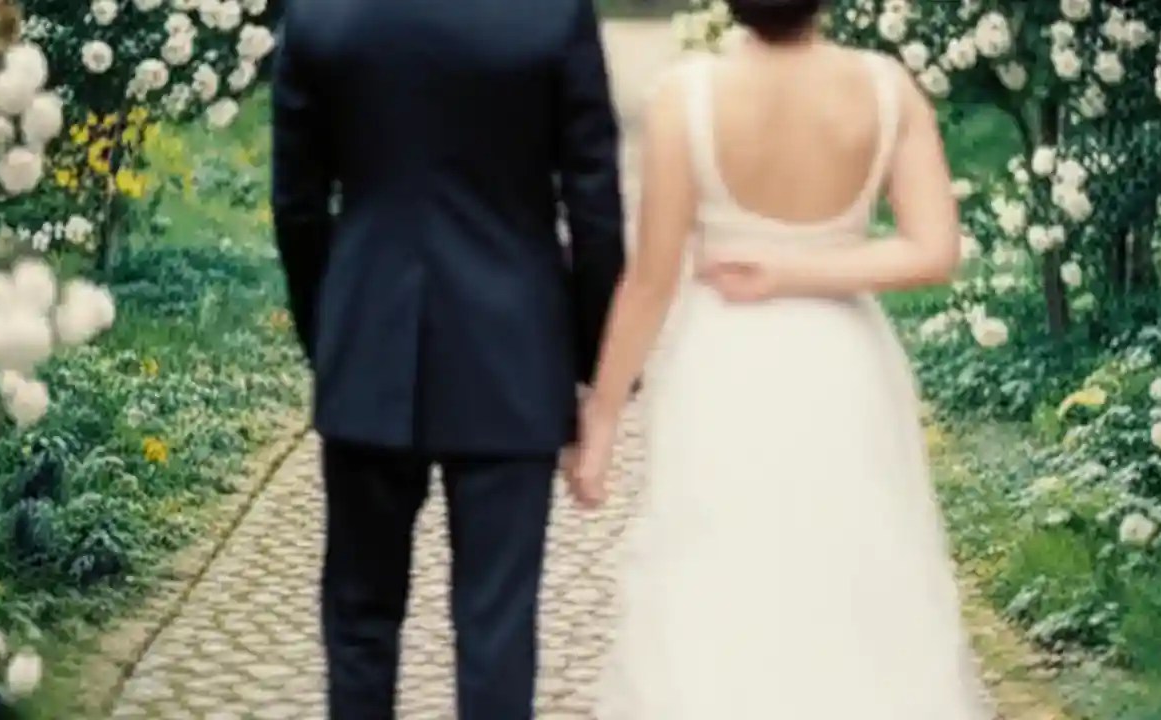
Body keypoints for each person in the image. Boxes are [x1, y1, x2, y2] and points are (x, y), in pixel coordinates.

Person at [570, 0, 996, 716]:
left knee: (722, 577)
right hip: (844, 362)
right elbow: (933, 250)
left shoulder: (686, 97)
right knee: (853, 576)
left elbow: (649, 281)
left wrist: (602, 417)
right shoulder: (886, 86)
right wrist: (803, 271)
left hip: (725, 365)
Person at [269, 1, 625, 718]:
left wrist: (329, 338)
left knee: (361, 621)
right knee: (496, 627)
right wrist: (594, 366)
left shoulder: (321, 16)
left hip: (369, 339)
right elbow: (594, 207)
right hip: (515, 354)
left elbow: (296, 205)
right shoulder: (551, 16)